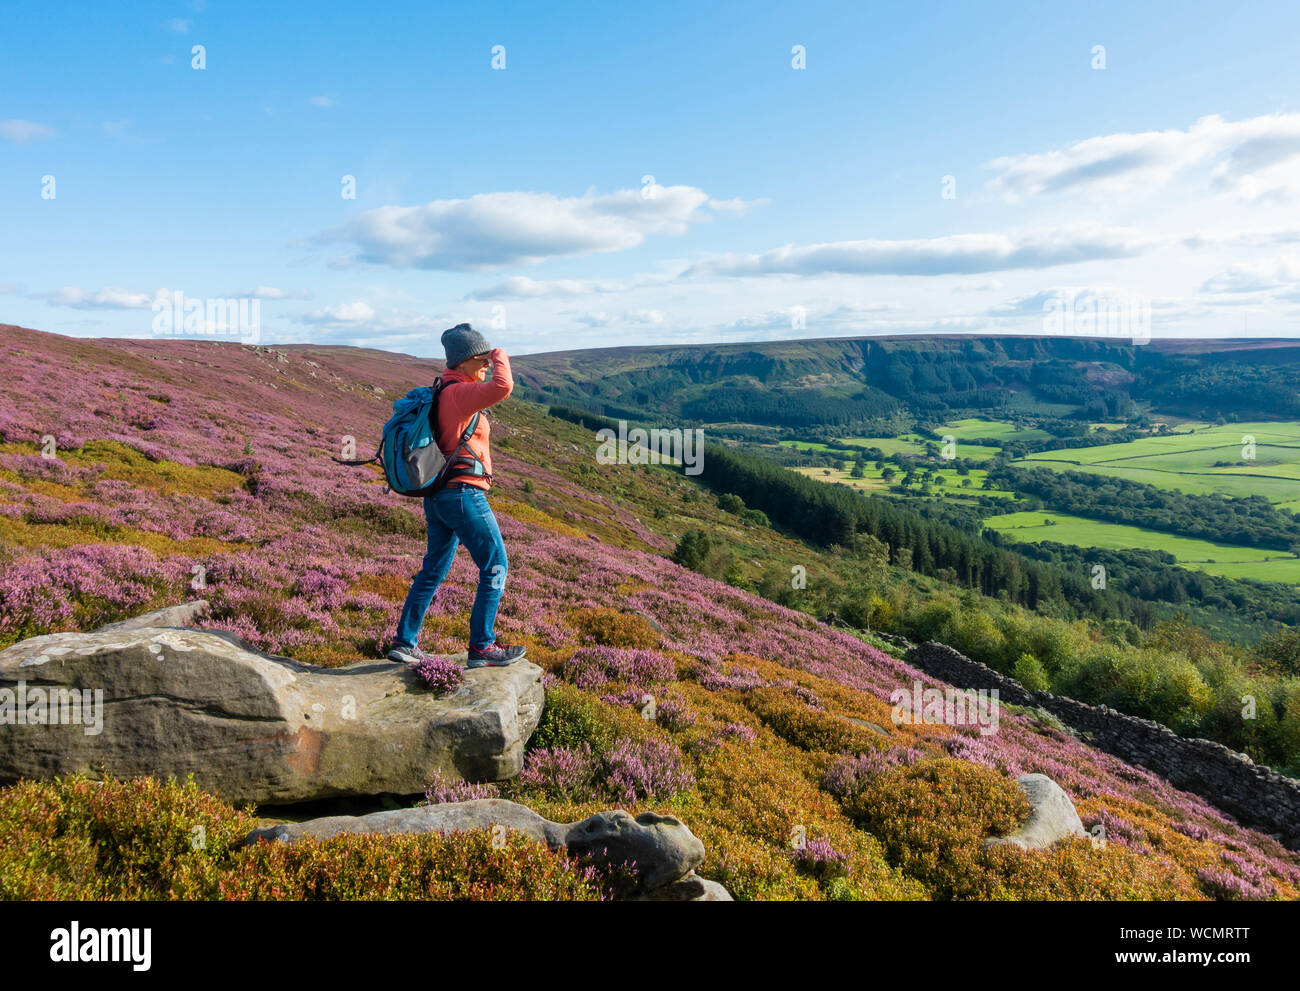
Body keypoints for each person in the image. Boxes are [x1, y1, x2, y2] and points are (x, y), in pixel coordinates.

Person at [387, 323, 526, 668]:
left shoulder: (445, 391)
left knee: (433, 569)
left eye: (487, 358)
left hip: (439, 496)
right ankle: (482, 646)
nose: (485, 365)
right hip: (463, 494)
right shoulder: (459, 392)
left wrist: (486, 356)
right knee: (495, 566)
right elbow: (503, 385)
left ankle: (405, 642)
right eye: (480, 359)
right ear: (462, 361)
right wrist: (501, 354)